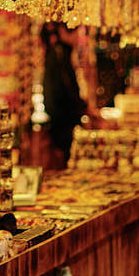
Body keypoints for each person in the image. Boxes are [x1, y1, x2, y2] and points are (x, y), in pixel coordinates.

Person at [41, 23, 88, 168]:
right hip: (63, 125)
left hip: (64, 123)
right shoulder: (58, 56)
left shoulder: (63, 54)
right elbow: (56, 93)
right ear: (63, 31)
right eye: (75, 32)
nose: (78, 38)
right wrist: (78, 110)